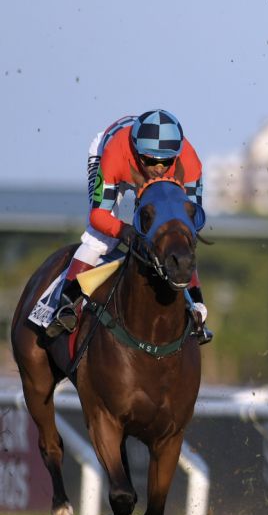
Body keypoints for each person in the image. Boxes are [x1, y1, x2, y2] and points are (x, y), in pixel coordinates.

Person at [46, 109, 213, 344]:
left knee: (179, 241)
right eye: (150, 160)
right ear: (137, 152)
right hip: (113, 159)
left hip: (144, 168)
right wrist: (124, 231)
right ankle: (67, 303)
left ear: (176, 154)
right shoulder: (115, 154)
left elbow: (192, 220)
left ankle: (196, 306)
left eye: (166, 161)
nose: (158, 168)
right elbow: (99, 216)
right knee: (101, 238)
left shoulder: (189, 160)